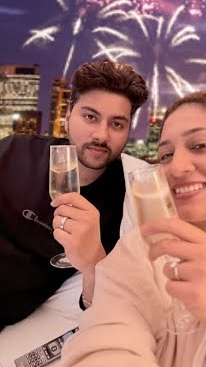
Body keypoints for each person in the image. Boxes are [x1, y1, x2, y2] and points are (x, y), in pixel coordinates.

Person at [62, 90, 206, 367]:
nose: (176, 168)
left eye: (200, 145)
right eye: (166, 155)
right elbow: (101, 345)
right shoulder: (139, 252)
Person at [0, 59, 150, 329]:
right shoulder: (15, 152)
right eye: (90, 117)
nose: (101, 135)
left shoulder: (126, 202)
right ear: (68, 115)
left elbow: (102, 309)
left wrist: (93, 262)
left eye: (117, 124)